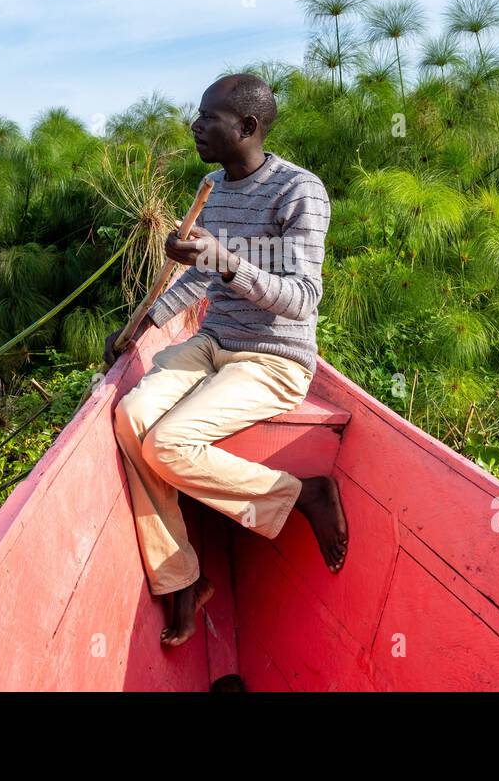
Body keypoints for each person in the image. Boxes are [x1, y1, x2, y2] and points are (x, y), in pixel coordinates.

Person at [103, 73, 348, 649]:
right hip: (214, 343)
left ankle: (303, 493)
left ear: (248, 127)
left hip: (273, 357)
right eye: (198, 116)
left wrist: (230, 260)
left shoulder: (299, 191)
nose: (196, 126)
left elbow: (302, 297)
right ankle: (183, 578)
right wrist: (148, 320)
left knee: (168, 445)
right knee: (131, 420)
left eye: (209, 118)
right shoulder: (213, 185)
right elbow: (201, 275)